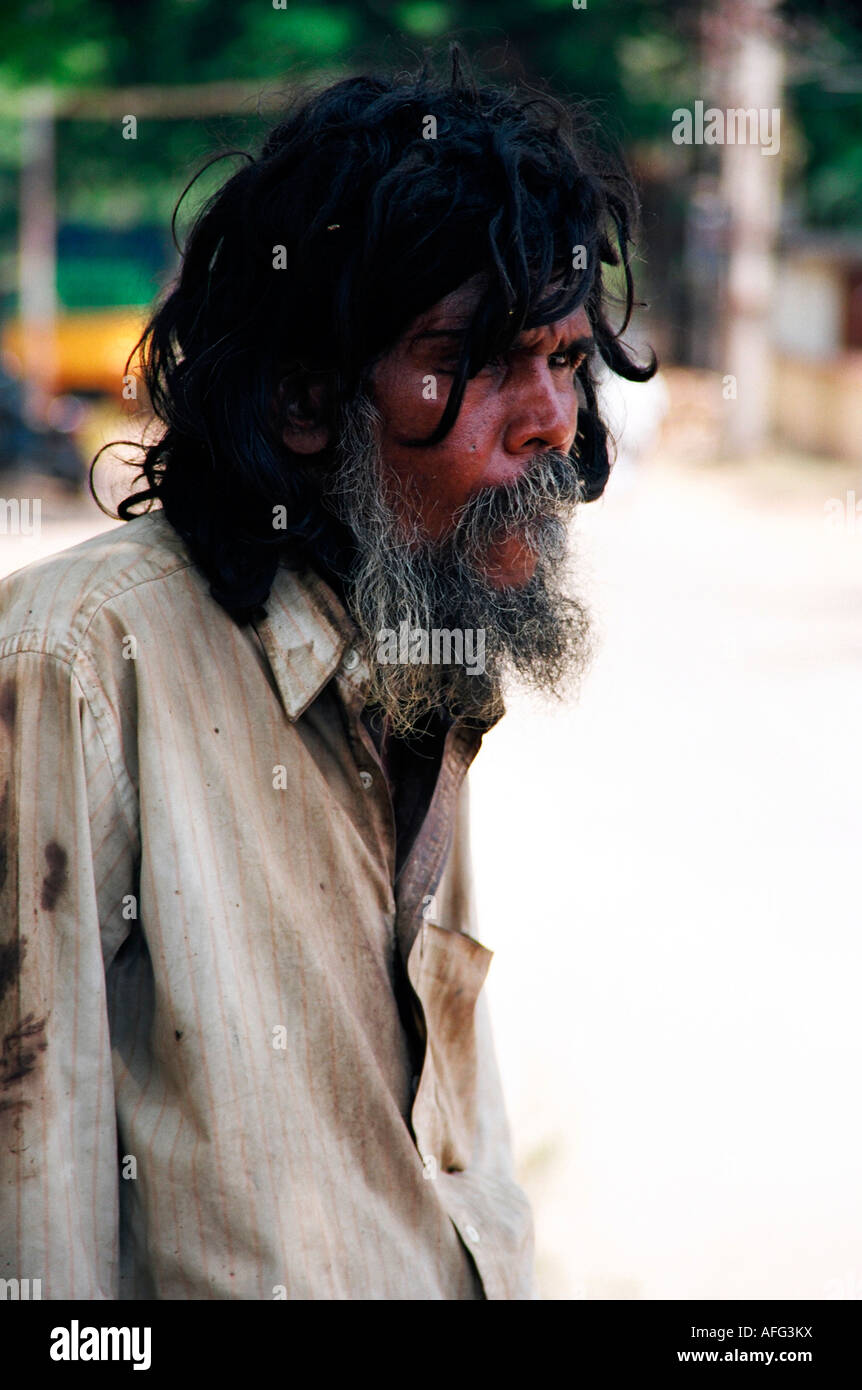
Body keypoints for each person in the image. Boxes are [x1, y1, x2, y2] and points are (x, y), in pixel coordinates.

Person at [0, 46, 656, 1300]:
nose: (551, 420)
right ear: (306, 399)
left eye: (566, 360)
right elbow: (34, 1222)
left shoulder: (420, 669)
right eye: (483, 360)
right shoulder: (76, 665)